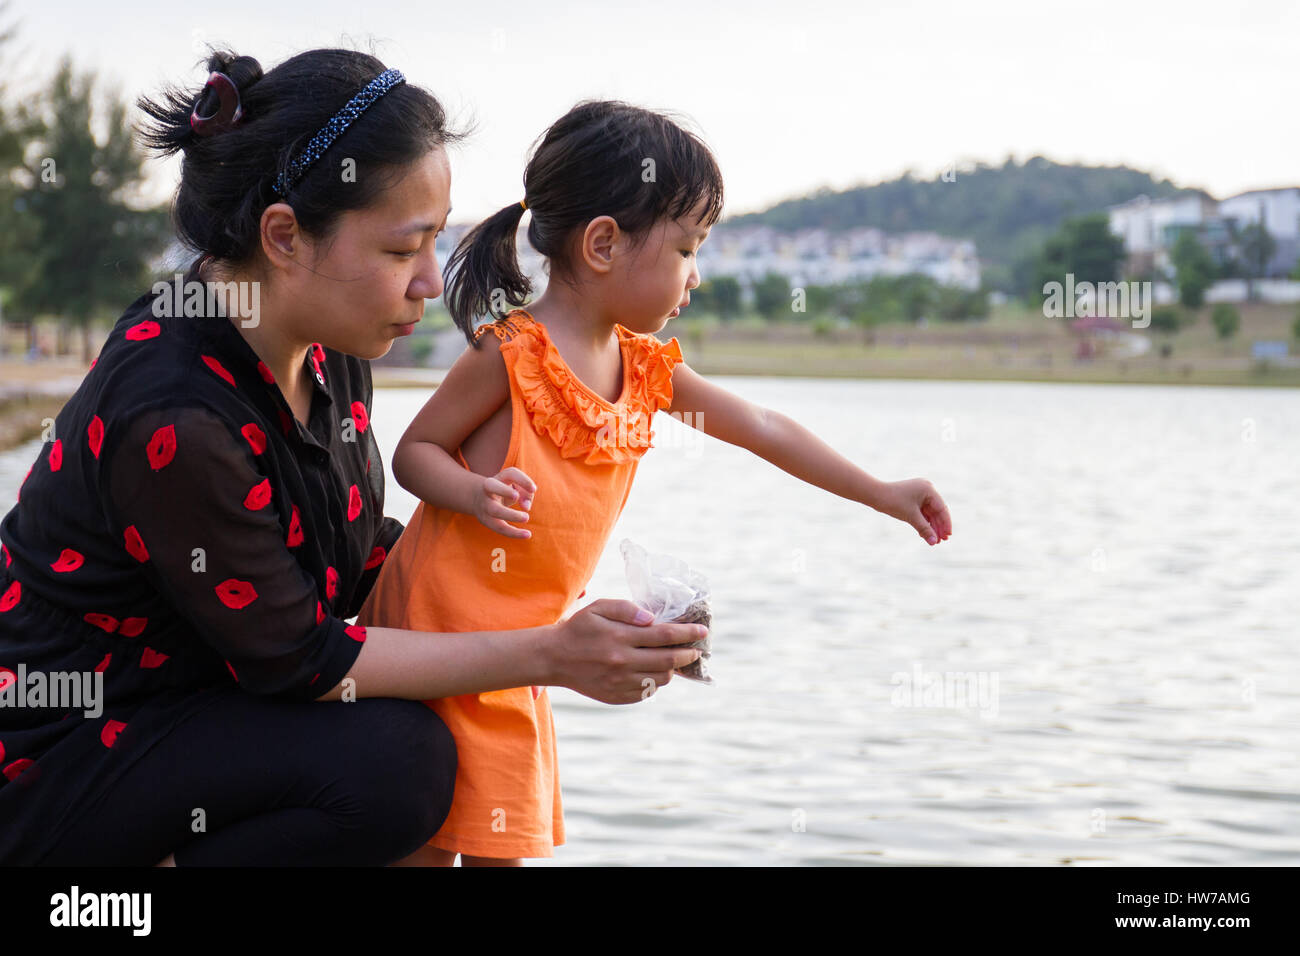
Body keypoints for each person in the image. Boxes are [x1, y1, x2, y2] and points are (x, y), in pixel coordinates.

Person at [0, 50, 703, 867]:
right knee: (394, 762)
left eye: (437, 242)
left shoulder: (327, 348)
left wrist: (522, 583)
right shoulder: (177, 415)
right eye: (405, 251)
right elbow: (307, 660)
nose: (432, 284)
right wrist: (551, 650)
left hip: (198, 711)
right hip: (63, 756)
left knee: (421, 723)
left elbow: (358, 549)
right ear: (285, 236)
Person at [356, 100, 954, 867]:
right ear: (603, 244)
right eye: (686, 248)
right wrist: (470, 492)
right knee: (426, 841)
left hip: (526, 656)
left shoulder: (647, 370)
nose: (695, 276)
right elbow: (415, 452)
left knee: (501, 843)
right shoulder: (512, 354)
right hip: (437, 640)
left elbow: (763, 426)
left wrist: (882, 490)